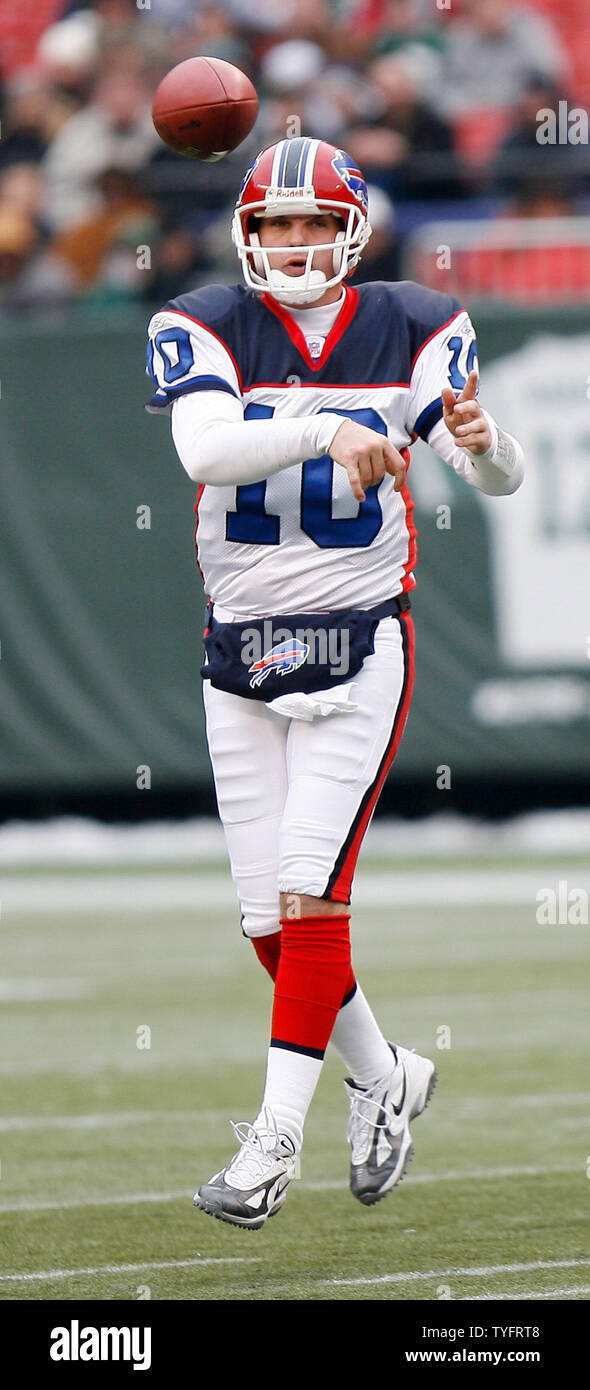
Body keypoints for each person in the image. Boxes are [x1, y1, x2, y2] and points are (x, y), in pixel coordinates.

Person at [145, 135, 524, 1230]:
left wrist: (481, 437)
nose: (297, 242)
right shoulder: (204, 319)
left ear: (351, 231)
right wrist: (334, 426)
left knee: (311, 888)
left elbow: (492, 476)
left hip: (358, 636)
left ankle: (268, 1145)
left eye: (316, 222)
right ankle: (383, 1076)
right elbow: (204, 453)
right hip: (241, 643)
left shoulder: (410, 320)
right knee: (267, 921)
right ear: (247, 235)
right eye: (276, 224)